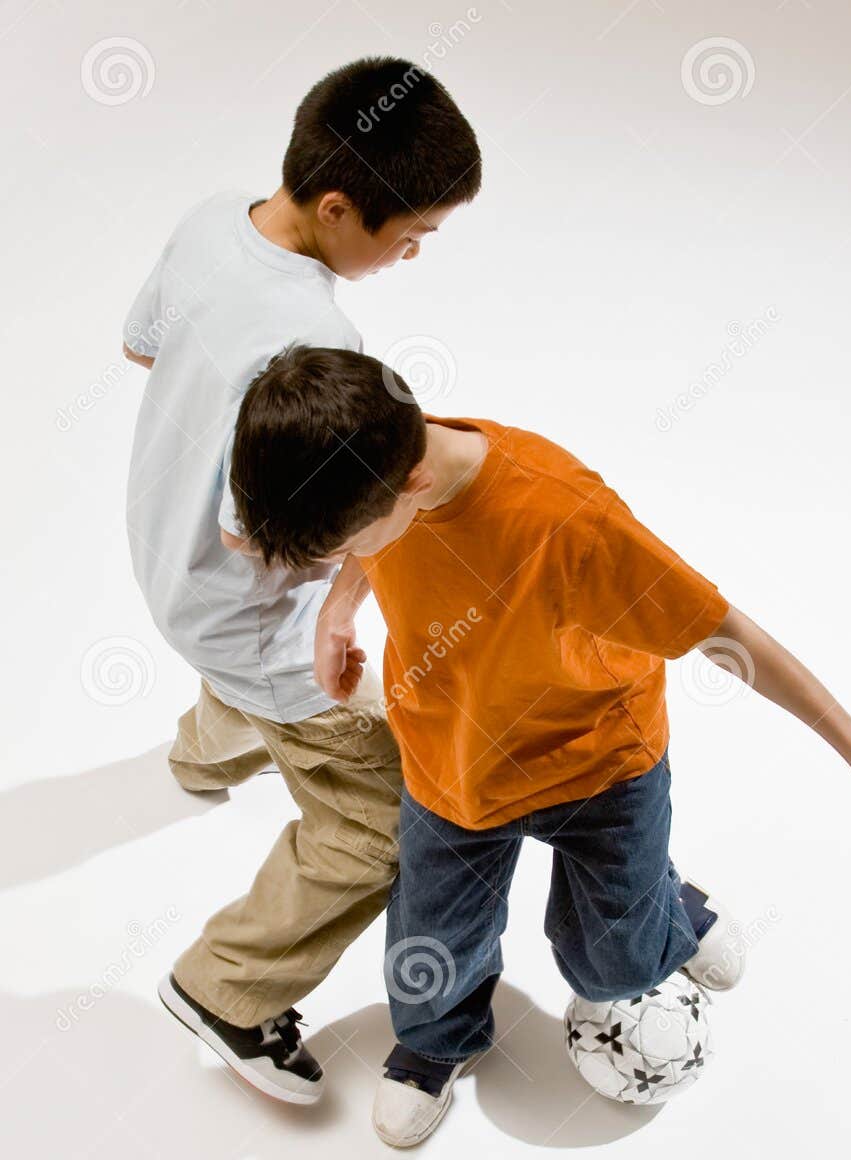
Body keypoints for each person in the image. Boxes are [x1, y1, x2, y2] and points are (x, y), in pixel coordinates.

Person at [227, 346, 851, 1145]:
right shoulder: (376, 450)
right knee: (426, 955)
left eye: (346, 545)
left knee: (615, 965)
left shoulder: (569, 522)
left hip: (597, 762)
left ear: (415, 485)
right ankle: (436, 1048)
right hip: (451, 760)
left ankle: (668, 908)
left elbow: (733, 637)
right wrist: (338, 613)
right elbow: (369, 539)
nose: (347, 559)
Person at [121, 59, 481, 1104]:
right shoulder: (320, 339)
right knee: (379, 823)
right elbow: (263, 538)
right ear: (338, 207)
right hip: (244, 612)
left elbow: (143, 349)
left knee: (227, 670)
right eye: (409, 234)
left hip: (157, 555)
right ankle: (227, 989)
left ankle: (202, 755)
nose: (411, 253)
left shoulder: (207, 222)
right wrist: (381, 535)